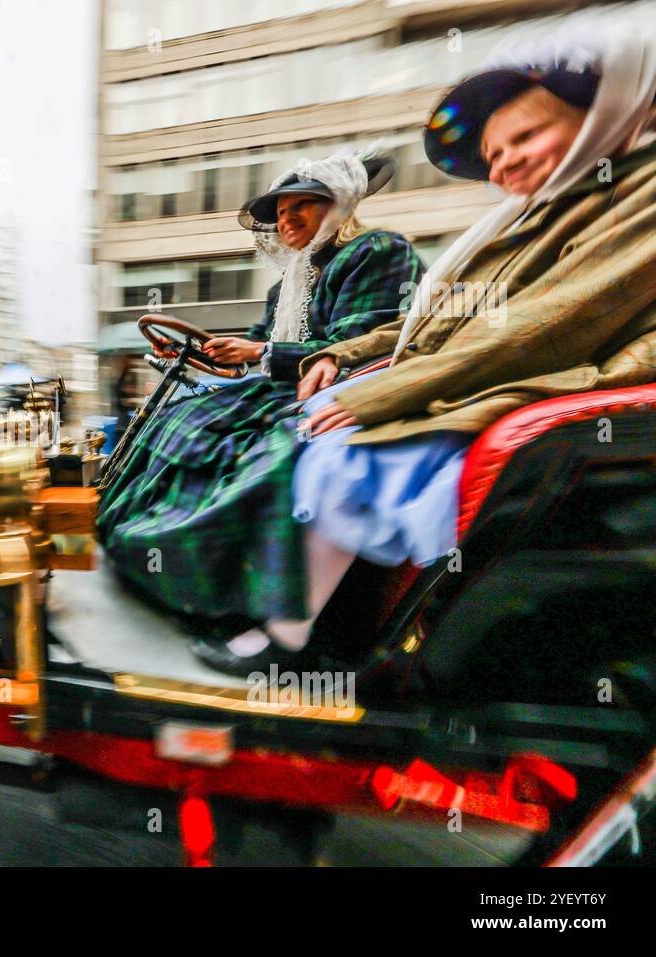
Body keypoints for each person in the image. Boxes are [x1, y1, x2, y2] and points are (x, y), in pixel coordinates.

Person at [190, 13, 656, 673]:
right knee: (220, 417)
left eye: (526, 136)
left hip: (550, 376)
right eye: (494, 154)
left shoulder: (377, 249)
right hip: (454, 367)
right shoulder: (545, 208)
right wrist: (310, 359)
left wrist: (360, 377)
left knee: (310, 441)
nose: (505, 165)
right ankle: (252, 592)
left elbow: (548, 322)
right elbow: (424, 325)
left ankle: (300, 634)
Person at [97, 147, 424, 633]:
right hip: (283, 390)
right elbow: (258, 341)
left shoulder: (374, 252)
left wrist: (257, 355)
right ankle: (141, 550)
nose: (286, 220)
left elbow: (360, 346)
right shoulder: (286, 284)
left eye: (301, 207)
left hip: (340, 391)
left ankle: (234, 598)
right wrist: (210, 353)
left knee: (253, 450)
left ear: (336, 205)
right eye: (282, 213)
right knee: (175, 419)